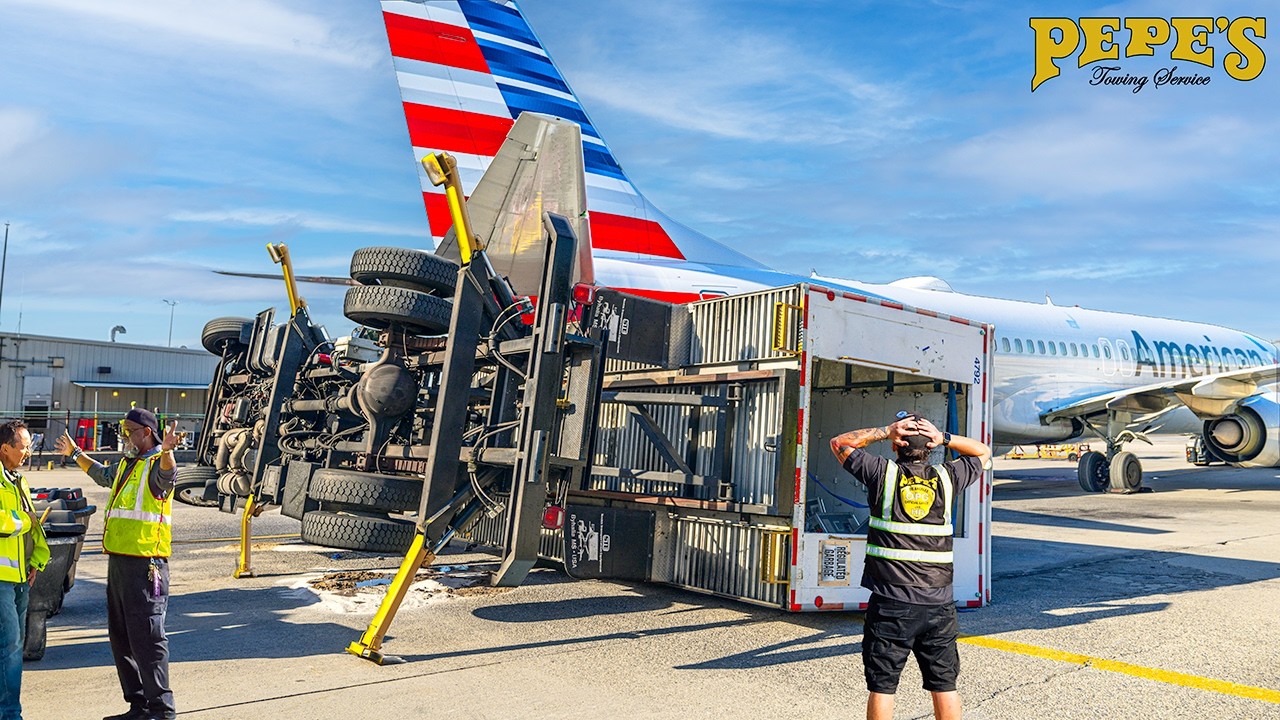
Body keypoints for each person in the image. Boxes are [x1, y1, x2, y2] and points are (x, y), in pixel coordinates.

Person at [829, 413, 992, 720]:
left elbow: (840, 443)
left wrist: (884, 431)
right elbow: (982, 452)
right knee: (944, 684)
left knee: (883, 684)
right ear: (929, 448)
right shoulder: (947, 477)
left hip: (892, 603)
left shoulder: (882, 473)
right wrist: (944, 437)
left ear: (896, 446)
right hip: (939, 604)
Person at [56, 409, 179, 720]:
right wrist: (76, 454)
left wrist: (167, 452)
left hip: (145, 565)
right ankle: (138, 705)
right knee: (121, 637)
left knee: (148, 640)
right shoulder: (128, 464)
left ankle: (161, 710)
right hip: (120, 563)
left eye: (129, 431)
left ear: (147, 433)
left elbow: (167, 476)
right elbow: (103, 475)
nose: (124, 436)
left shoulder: (155, 464)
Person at [0, 421, 49, 720]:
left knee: (12, 647)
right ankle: (10, 713)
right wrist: (27, 520)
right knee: (10, 647)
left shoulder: (19, 481)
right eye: (24, 446)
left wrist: (35, 562)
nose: (28, 452)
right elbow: (10, 522)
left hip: (19, 579)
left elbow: (34, 530)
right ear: (5, 448)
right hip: (2, 580)